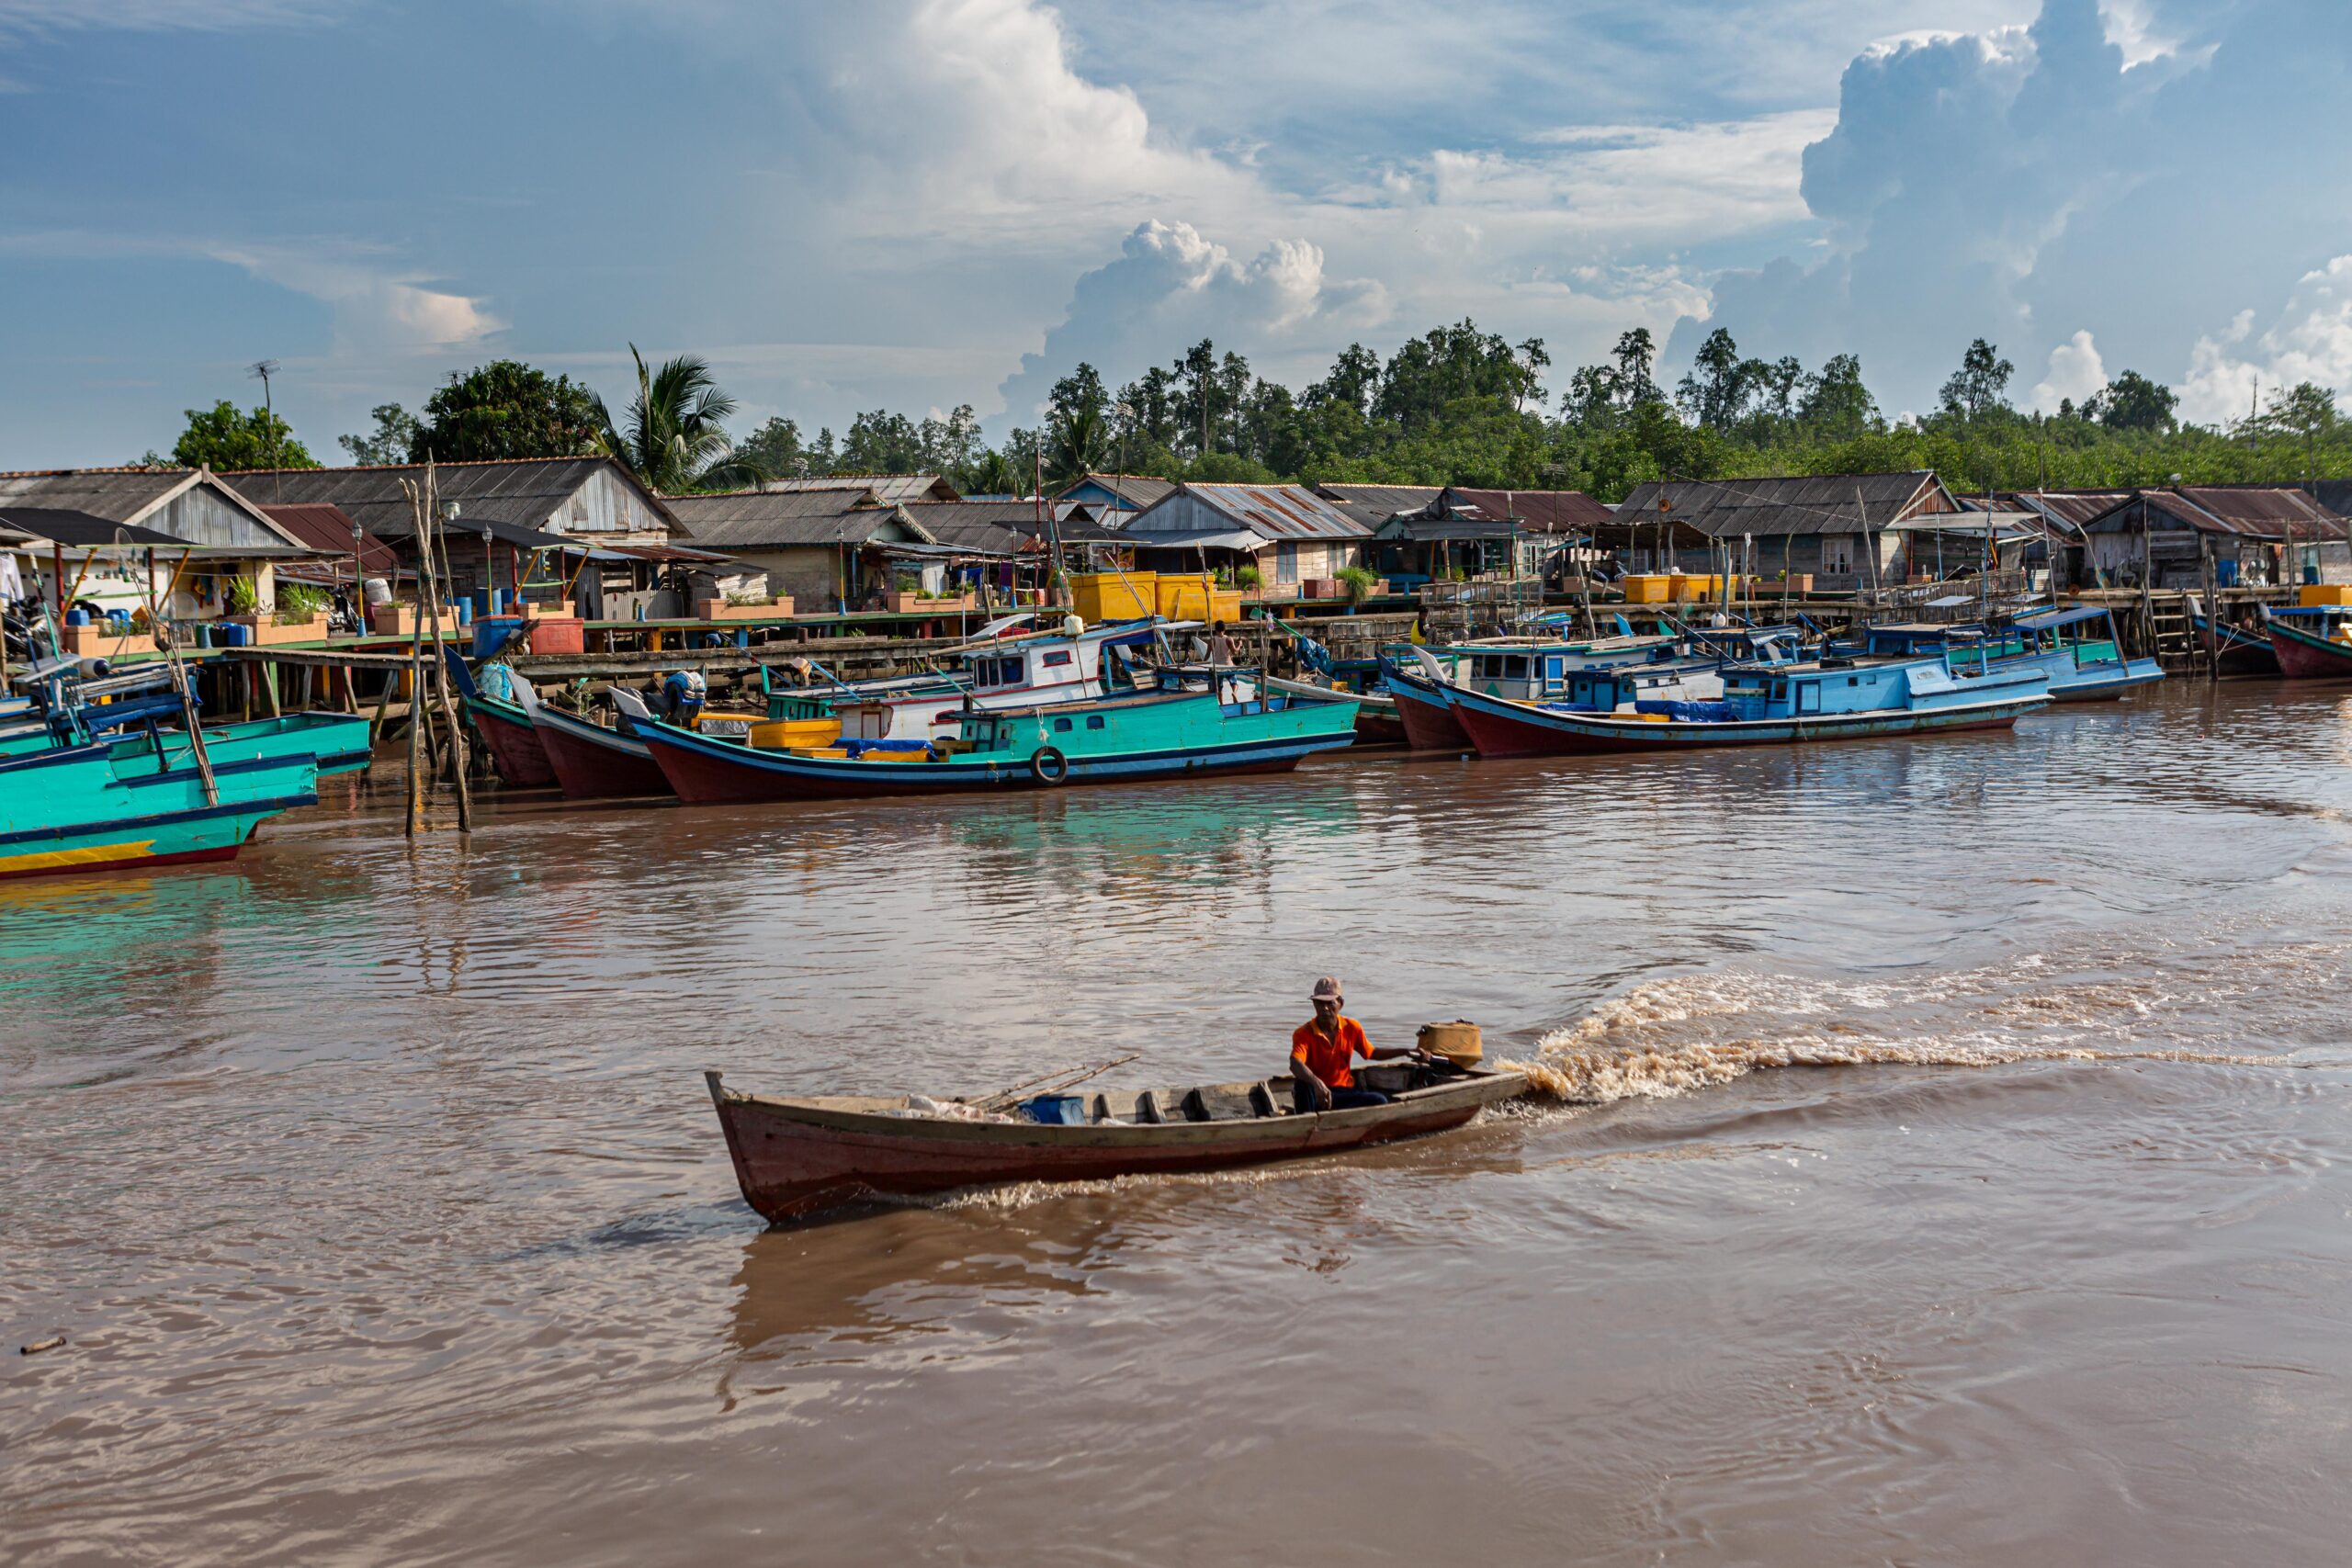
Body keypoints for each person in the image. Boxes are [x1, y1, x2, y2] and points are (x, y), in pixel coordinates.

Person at [1290, 976, 1425, 1114]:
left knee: (1379, 1100)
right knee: (1302, 1085)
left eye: (1330, 1003)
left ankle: (1340, 1119)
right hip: (1317, 1095)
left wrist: (1405, 1051)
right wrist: (1317, 1084)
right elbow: (1295, 1063)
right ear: (1314, 1004)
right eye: (1319, 1003)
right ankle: (1306, 1124)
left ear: (1340, 1004)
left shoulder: (1352, 1027)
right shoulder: (1303, 1033)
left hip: (1342, 1094)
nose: (1324, 1008)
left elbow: (1371, 1053)